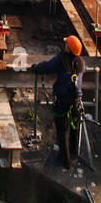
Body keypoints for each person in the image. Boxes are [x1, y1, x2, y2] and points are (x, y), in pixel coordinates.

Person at [34, 35, 84, 168]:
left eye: (66, 44)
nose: (65, 45)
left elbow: (46, 66)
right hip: (77, 100)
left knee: (62, 131)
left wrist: (35, 68)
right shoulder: (80, 63)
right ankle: (74, 152)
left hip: (63, 100)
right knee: (74, 127)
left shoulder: (61, 61)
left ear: (68, 49)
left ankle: (65, 161)